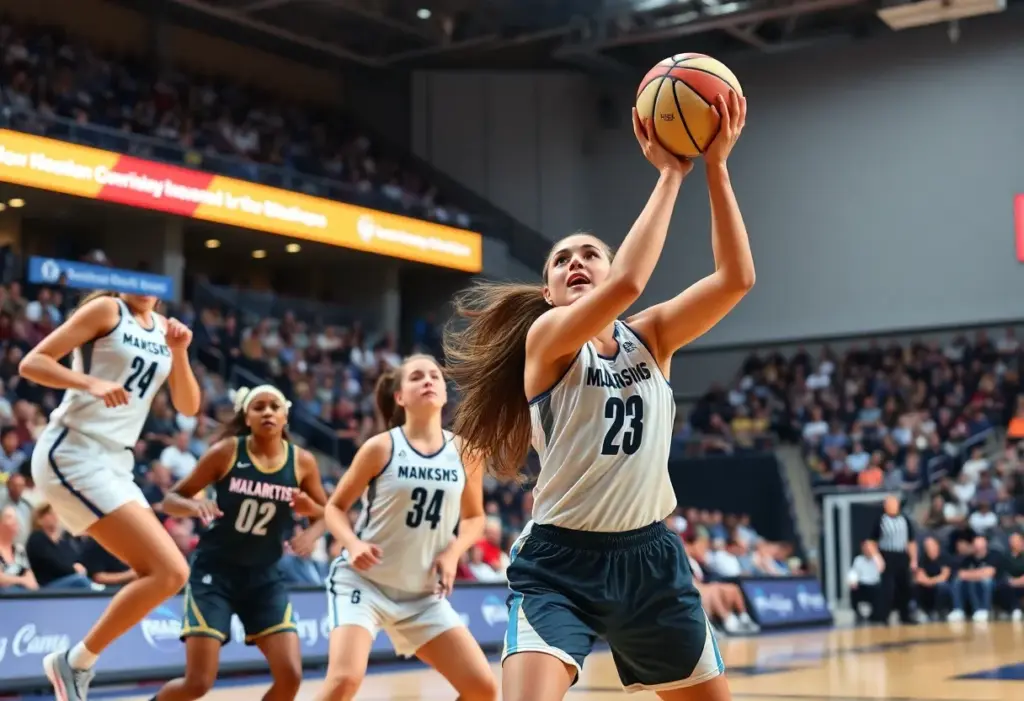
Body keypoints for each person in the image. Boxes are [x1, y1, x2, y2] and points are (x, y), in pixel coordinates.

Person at [444, 92, 752, 701]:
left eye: (590, 254)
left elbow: (736, 279)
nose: (576, 263)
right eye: (562, 260)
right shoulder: (547, 339)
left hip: (650, 559)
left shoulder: (653, 337)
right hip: (560, 562)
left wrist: (717, 167)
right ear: (550, 290)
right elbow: (633, 280)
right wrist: (672, 172)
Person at [20, 291, 200, 701]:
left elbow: (188, 406)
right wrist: (90, 381)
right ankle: (75, 662)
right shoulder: (107, 310)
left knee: (171, 574)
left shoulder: (163, 331)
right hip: (74, 449)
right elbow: (32, 363)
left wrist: (181, 352)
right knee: (168, 571)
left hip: (116, 461)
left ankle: (76, 661)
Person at [318, 355, 496, 701]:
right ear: (400, 397)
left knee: (482, 689)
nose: (428, 381)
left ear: (445, 393)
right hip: (365, 584)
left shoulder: (466, 451)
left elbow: (475, 518)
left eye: (434, 376)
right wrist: (353, 544)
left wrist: (453, 552)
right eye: (416, 377)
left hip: (422, 595)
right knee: (343, 681)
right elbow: (335, 509)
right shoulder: (381, 447)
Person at [151, 385, 327, 701]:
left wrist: (311, 532)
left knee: (291, 677)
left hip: (264, 578)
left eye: (274, 406)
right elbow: (170, 499)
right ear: (247, 417)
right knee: (198, 683)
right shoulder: (227, 451)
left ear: (285, 415)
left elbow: (327, 513)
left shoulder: (303, 462)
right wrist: (194, 506)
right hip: (215, 574)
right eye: (259, 407)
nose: (268, 412)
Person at [864, 496, 917, 625]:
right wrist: (877, 558)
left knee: (904, 587)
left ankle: (905, 615)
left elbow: (911, 542)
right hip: (887, 555)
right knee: (887, 588)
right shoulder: (881, 520)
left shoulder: (905, 520)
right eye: (889, 503)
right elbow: (870, 541)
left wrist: (914, 559)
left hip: (902, 555)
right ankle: (883, 616)